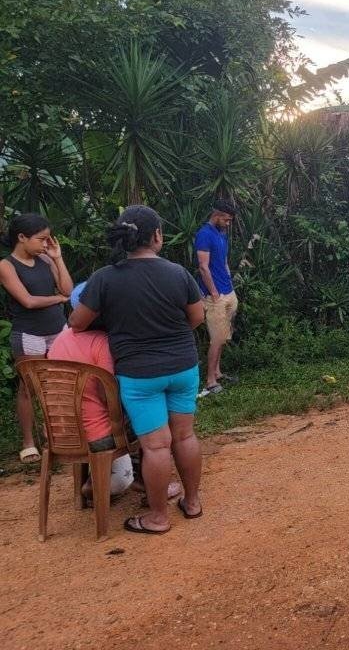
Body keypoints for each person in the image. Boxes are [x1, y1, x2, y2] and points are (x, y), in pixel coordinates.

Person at [70, 205, 205, 535]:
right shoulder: (177, 273)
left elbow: (77, 322)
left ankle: (158, 518)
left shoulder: (104, 278)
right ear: (157, 236)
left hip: (139, 374)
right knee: (185, 436)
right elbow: (197, 317)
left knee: (156, 446)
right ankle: (192, 502)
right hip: (183, 366)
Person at [47, 283, 134, 497]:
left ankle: (91, 478)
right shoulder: (102, 342)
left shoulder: (60, 338)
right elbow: (108, 398)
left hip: (60, 432)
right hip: (96, 436)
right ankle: (135, 481)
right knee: (149, 420)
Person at [0, 213, 73, 463]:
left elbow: (68, 289)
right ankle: (28, 442)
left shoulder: (45, 258)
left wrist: (57, 258)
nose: (45, 244)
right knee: (29, 387)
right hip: (29, 332)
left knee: (61, 382)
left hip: (58, 329)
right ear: (21, 237)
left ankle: (58, 433)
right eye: (41, 239)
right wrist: (58, 300)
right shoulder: (6, 266)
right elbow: (28, 301)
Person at [195, 199, 238, 397]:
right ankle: (210, 382)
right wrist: (213, 292)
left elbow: (224, 260)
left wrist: (229, 282)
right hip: (215, 295)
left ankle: (218, 373)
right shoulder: (204, 235)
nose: (228, 224)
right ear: (217, 215)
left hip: (227, 290)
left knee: (223, 337)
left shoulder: (221, 234)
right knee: (217, 338)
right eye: (226, 220)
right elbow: (203, 266)